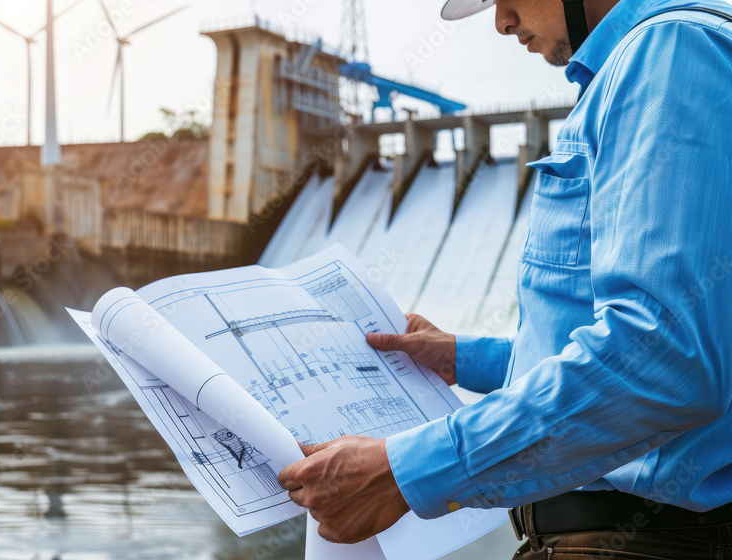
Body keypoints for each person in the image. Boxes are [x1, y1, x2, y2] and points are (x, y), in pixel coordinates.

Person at [277, 0, 732, 557]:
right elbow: (679, 336)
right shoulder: (647, 65)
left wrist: (405, 470)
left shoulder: (672, 52)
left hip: (644, 540)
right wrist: (465, 356)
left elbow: (664, 357)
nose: (502, 21)